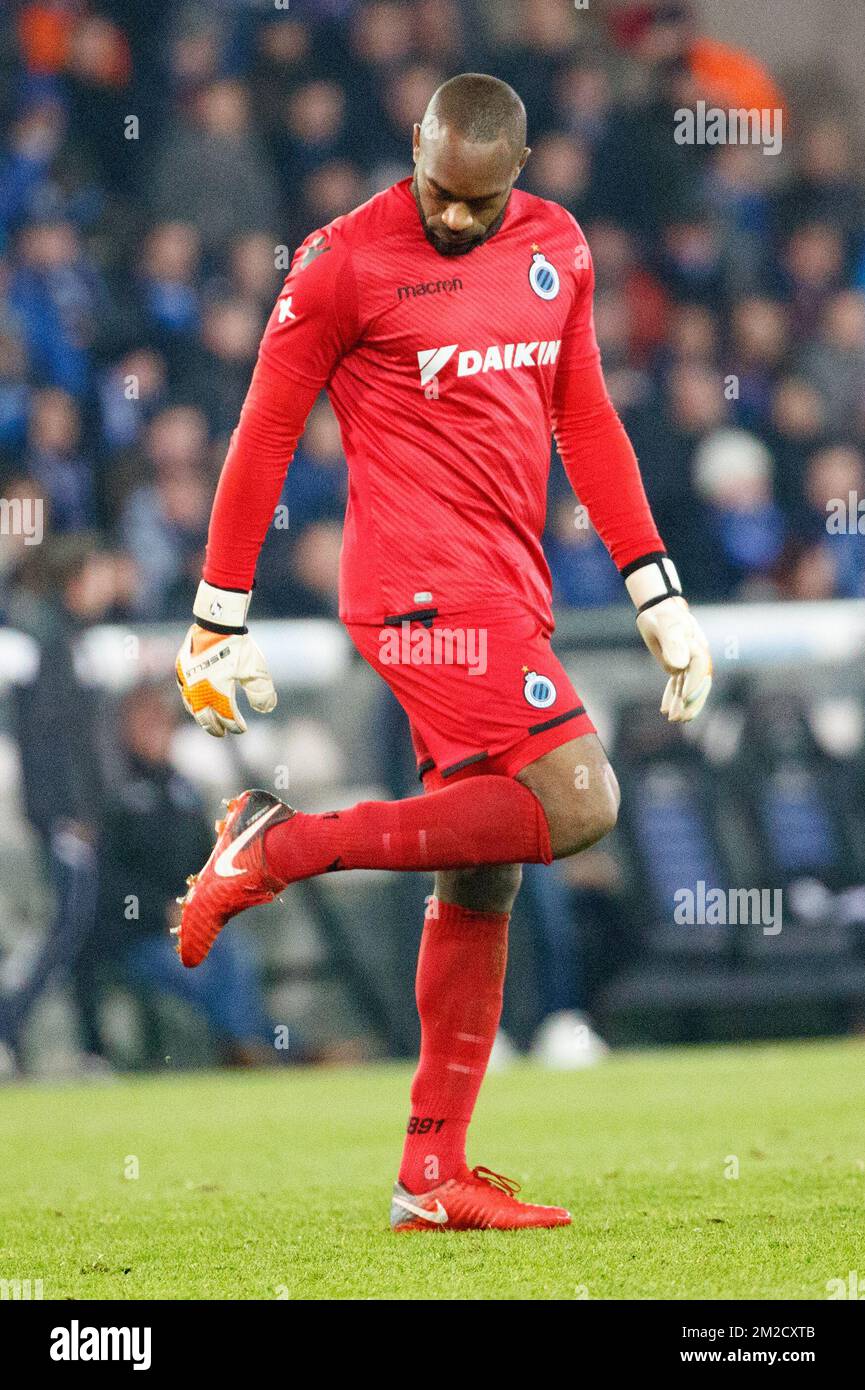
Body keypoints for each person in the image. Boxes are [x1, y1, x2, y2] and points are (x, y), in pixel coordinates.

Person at [174, 74, 712, 1232]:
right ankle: (281, 846)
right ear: (411, 146)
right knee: (580, 802)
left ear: (517, 173)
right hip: (415, 596)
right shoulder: (340, 261)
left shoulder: (557, 248)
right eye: (437, 191)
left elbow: (586, 418)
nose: (455, 219)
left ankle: (430, 1173)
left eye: (480, 202)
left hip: (510, 590)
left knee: (485, 864)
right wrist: (218, 612)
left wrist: (652, 580)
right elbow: (265, 428)